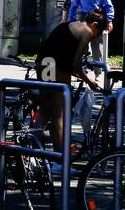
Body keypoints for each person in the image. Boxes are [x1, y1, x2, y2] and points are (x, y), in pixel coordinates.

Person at [35, 11, 105, 147]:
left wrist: (79, 75)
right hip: (54, 67)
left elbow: (64, 57)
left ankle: (29, 142)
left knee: (46, 109)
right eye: (99, 33)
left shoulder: (70, 24)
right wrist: (89, 81)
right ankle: (60, 160)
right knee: (59, 113)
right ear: (95, 25)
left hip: (44, 63)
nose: (96, 37)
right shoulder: (87, 31)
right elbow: (76, 63)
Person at [67, 0, 113, 71]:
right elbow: (74, 5)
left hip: (97, 18)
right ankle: (81, 69)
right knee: (82, 45)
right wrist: (70, 20)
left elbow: (108, 5)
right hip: (84, 18)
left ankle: (98, 72)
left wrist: (109, 20)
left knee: (97, 46)